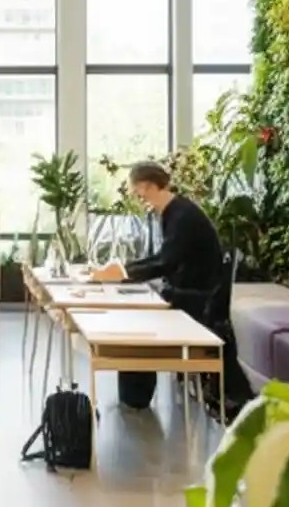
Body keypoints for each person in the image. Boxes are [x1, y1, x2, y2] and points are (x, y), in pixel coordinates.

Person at [105, 162, 246, 415]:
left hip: (196, 299)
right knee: (140, 305)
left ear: (147, 186)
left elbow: (166, 261)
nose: (136, 196)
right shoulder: (176, 211)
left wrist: (124, 273)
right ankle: (135, 395)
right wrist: (124, 270)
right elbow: (164, 257)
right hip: (191, 291)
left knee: (137, 317)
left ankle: (136, 396)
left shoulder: (182, 216)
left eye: (136, 190)